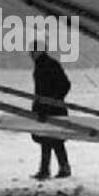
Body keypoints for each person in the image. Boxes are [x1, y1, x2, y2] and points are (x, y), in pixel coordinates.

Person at [30, 46, 71, 180]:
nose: (30, 55)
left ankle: (50, 169)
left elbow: (64, 85)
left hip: (51, 108)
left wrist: (52, 100)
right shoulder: (45, 65)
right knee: (50, 139)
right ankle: (53, 168)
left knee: (51, 139)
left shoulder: (46, 65)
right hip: (49, 107)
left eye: (32, 52)